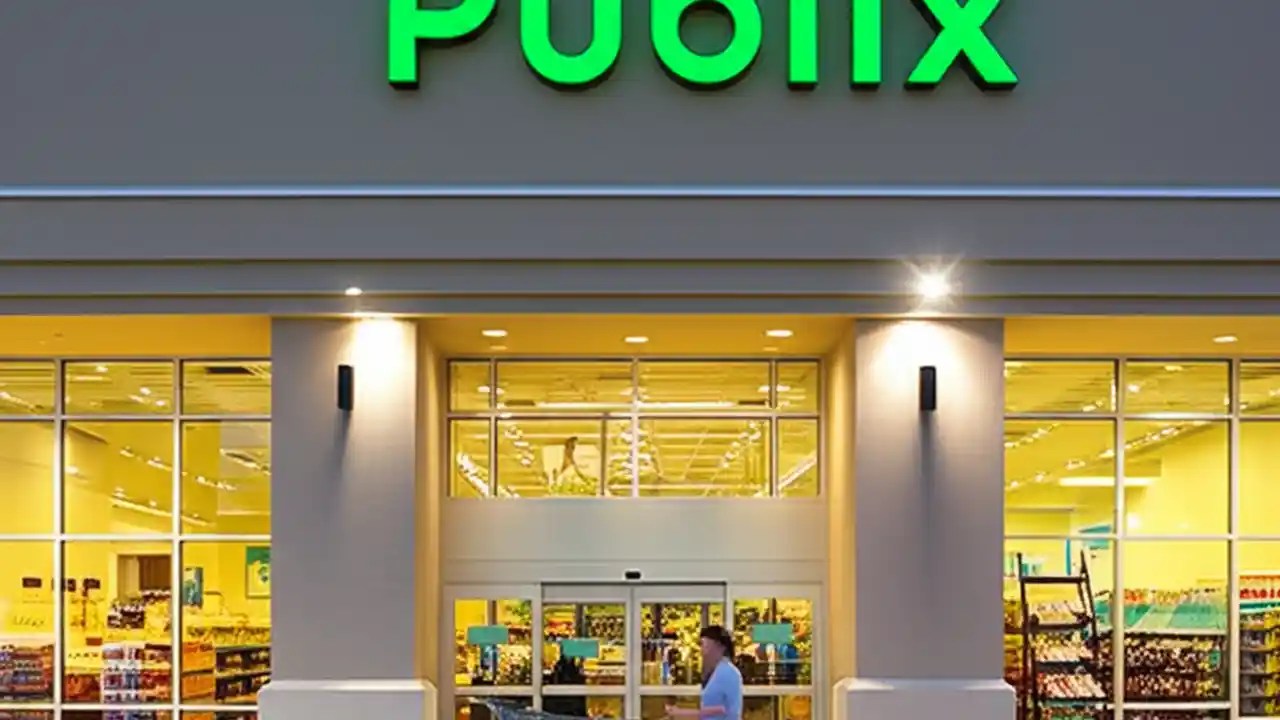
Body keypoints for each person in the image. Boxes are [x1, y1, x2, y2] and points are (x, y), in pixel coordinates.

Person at [666, 626, 742, 719]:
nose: (701, 651)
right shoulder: (718, 671)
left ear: (718, 646)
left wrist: (681, 713)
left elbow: (728, 711)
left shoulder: (728, 673)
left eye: (704, 645)